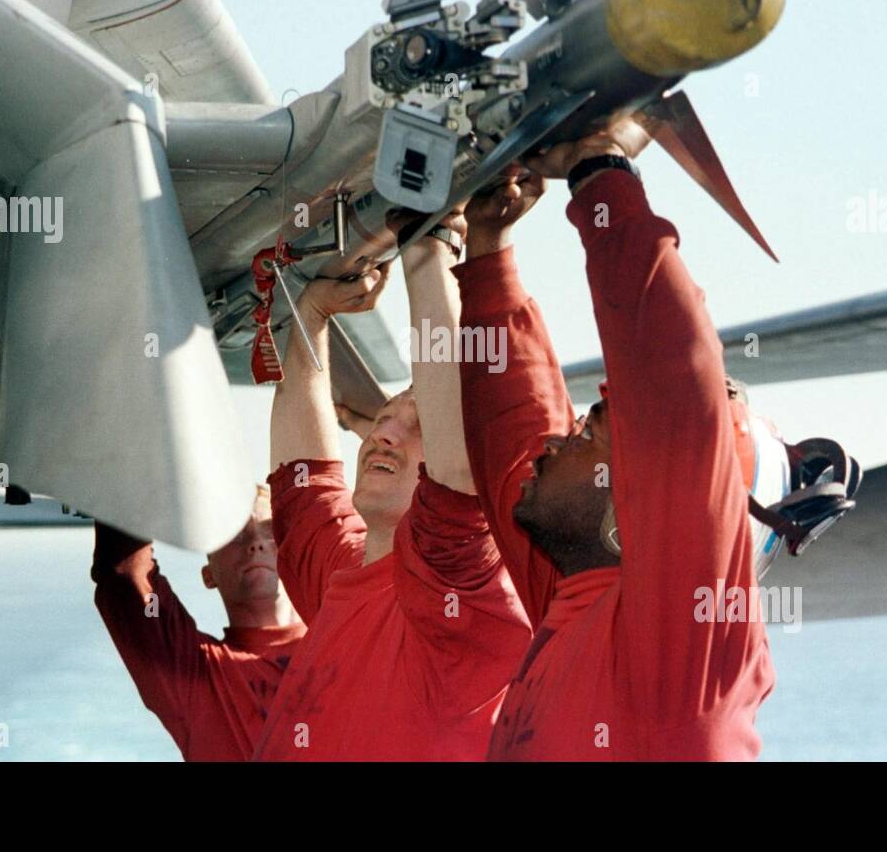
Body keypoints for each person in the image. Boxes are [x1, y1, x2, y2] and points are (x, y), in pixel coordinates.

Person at [454, 117, 774, 760]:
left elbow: (672, 386)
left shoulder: (679, 653)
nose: (554, 441)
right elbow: (514, 431)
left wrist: (600, 168)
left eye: (587, 432)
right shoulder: (580, 601)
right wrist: (488, 250)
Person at [253, 210, 532, 761]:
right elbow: (301, 479)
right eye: (382, 417)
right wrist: (310, 314)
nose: (383, 433)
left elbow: (457, 471)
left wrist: (429, 243)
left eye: (418, 422)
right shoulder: (345, 573)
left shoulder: (470, 604)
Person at [92, 486, 304, 761]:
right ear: (209, 575)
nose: (256, 543)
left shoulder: (347, 644)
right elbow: (127, 574)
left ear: (296, 556)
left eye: (270, 531)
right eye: (234, 535)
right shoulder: (195, 674)